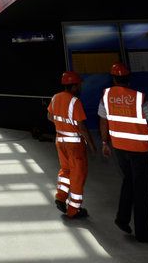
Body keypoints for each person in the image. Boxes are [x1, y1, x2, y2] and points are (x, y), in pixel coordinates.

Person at [99, 62, 148, 243]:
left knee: (128, 181)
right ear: (128, 78)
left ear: (113, 78)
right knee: (141, 191)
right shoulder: (139, 98)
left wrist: (105, 142)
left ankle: (122, 218)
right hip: (139, 151)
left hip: (119, 148)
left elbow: (103, 121)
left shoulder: (106, 96)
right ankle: (143, 232)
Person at [47, 71, 95, 219]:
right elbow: (81, 126)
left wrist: (62, 125)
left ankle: (60, 197)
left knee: (65, 170)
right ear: (74, 86)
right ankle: (74, 210)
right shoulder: (75, 101)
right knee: (78, 174)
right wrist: (91, 144)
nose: (80, 86)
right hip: (74, 144)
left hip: (60, 140)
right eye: (79, 84)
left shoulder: (55, 97)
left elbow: (49, 116)